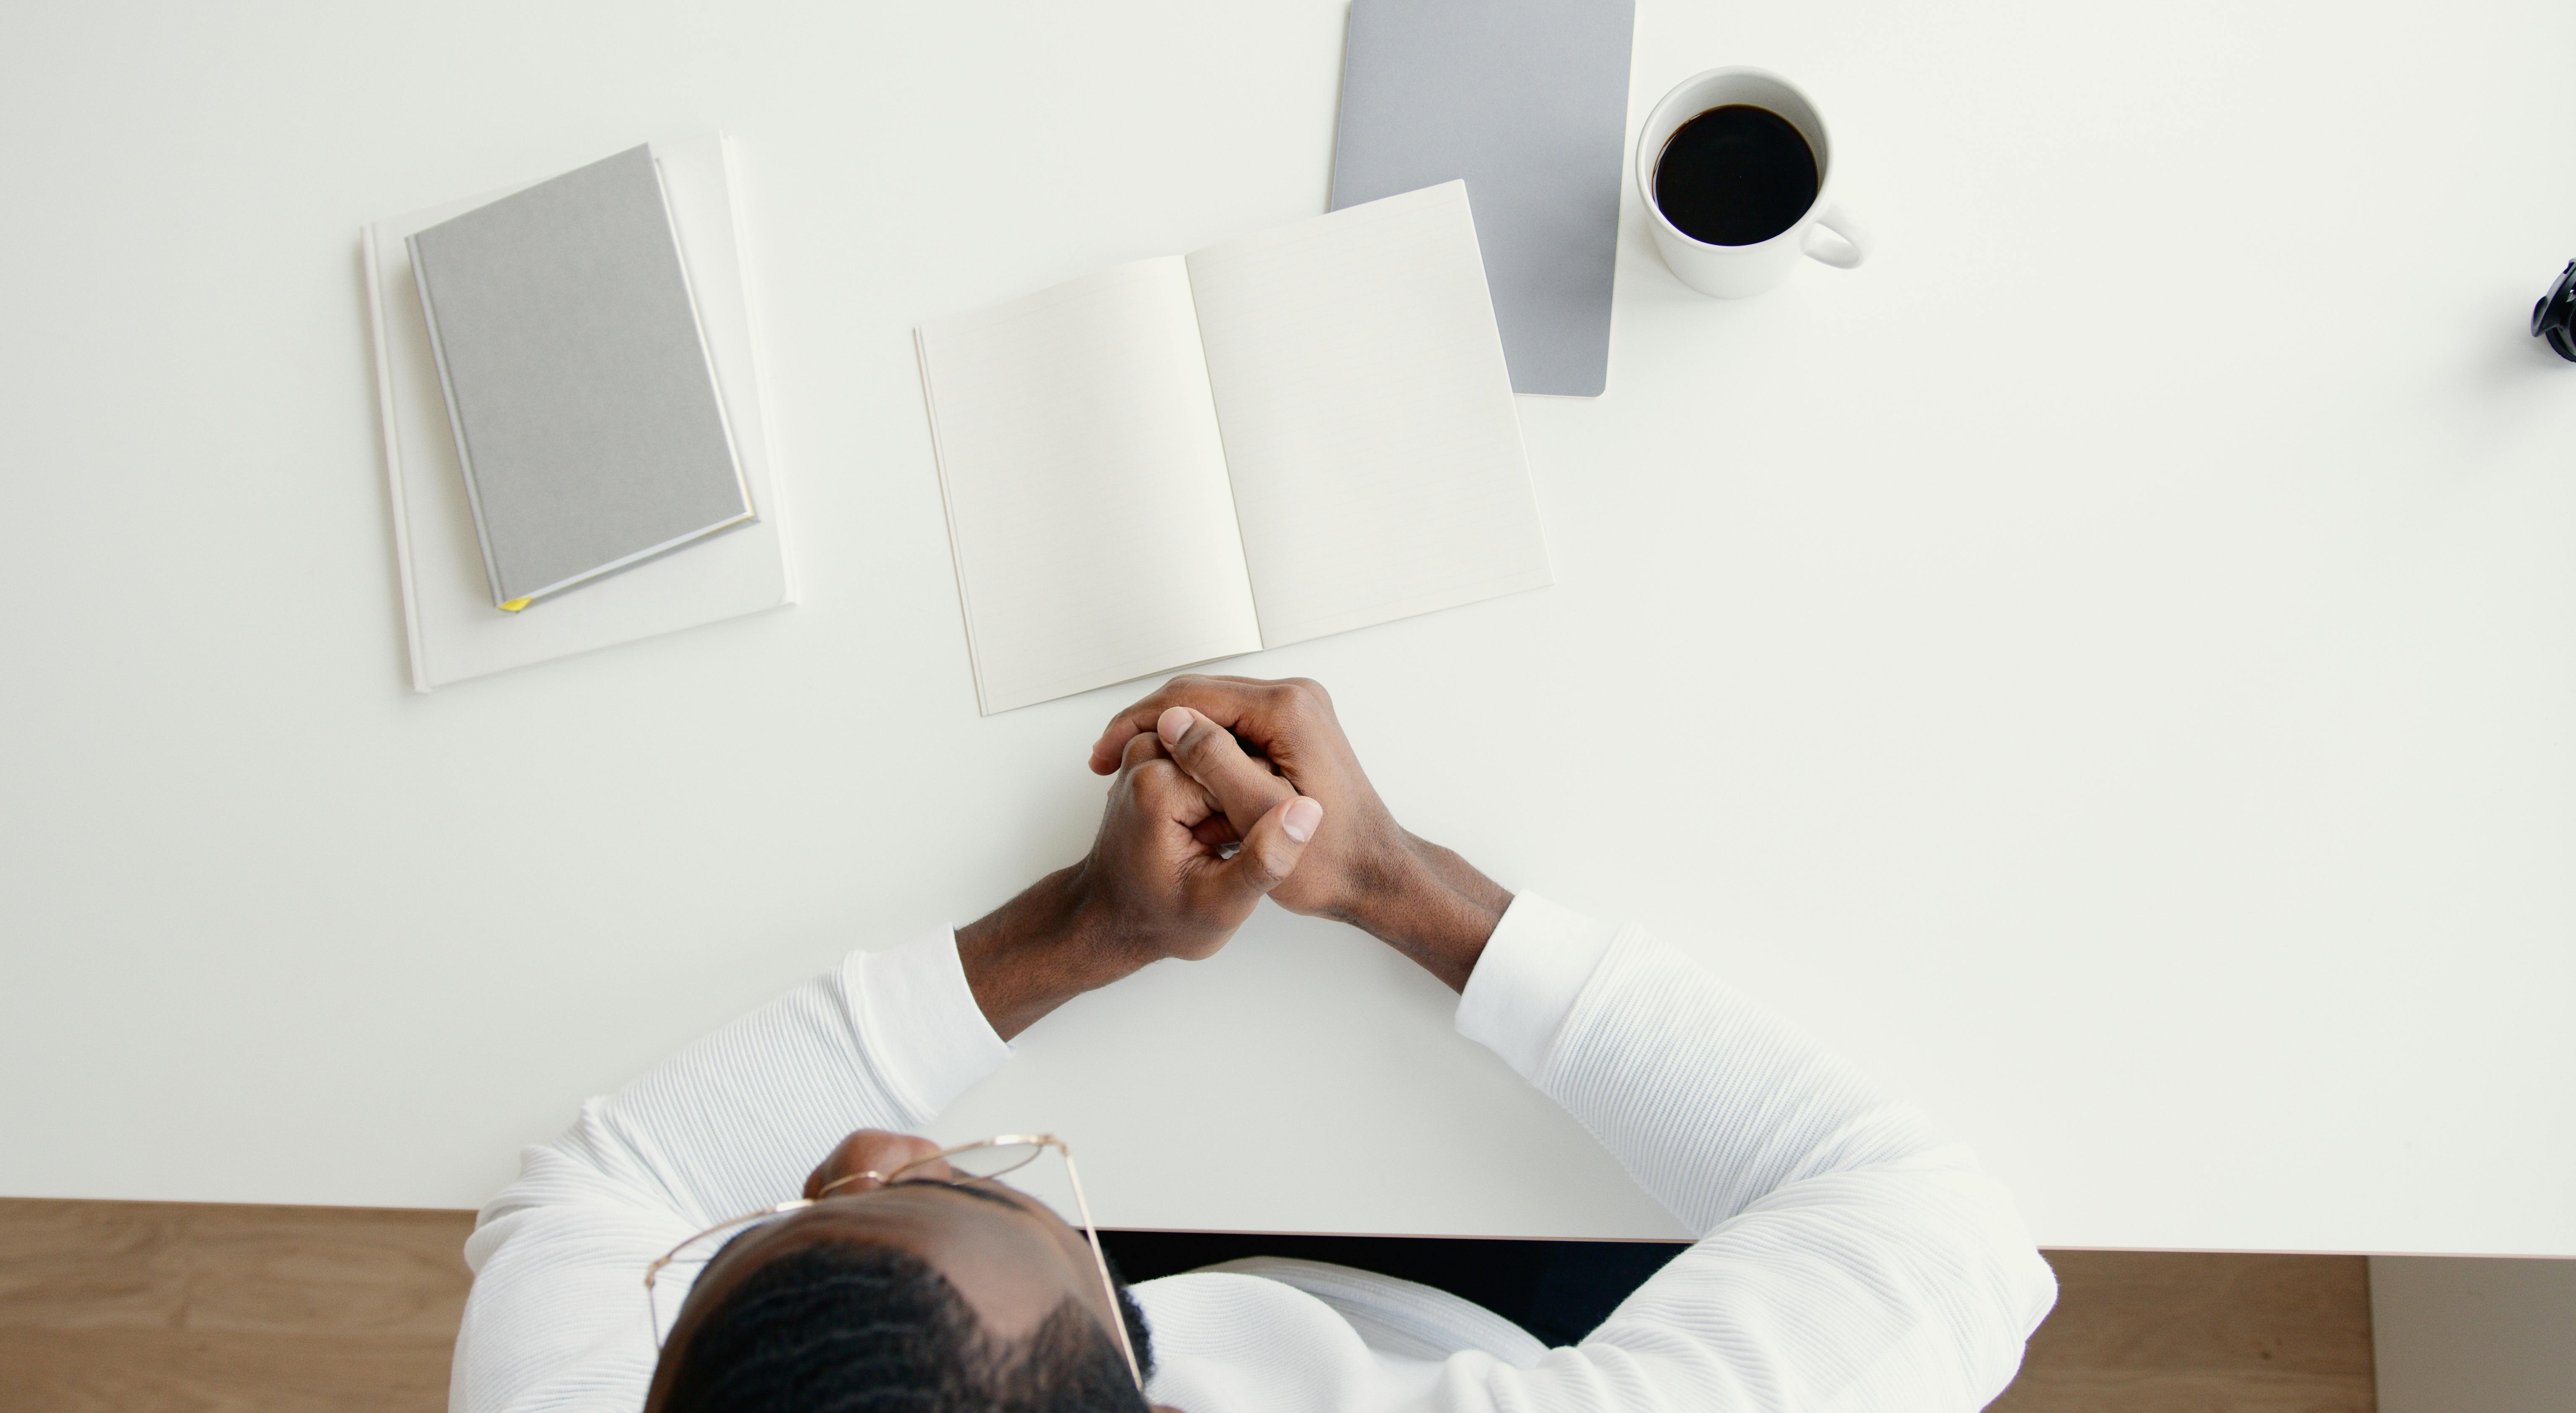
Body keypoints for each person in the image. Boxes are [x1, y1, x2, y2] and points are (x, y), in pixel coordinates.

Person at [449, 675, 2058, 1413]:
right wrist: (1403, 889)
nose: (872, 1149)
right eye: (971, 1188)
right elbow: (1939, 1231)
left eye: (778, 1234)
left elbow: (608, 1189)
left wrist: (1082, 932)